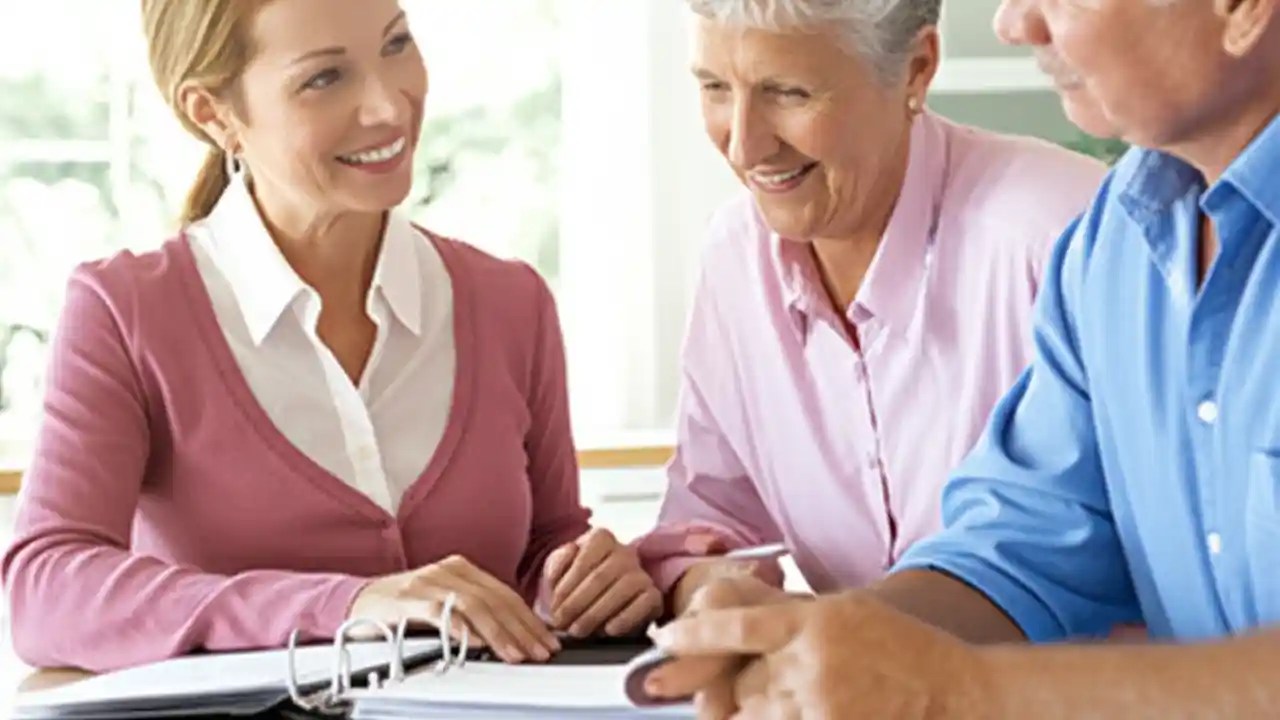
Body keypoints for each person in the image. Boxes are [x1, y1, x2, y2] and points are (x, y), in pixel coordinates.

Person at [645, 0, 1280, 716]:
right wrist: (812, 643)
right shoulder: (1118, 239)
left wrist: (961, 688)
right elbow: (1021, 549)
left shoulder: (1053, 223)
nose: (1013, 23)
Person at [0, 0, 660, 674]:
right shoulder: (126, 312)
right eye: (324, 78)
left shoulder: (510, 302)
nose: (388, 106)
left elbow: (545, 554)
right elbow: (46, 590)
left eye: (396, 44)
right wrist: (347, 605)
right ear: (213, 114)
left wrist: (589, 585)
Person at [633, 0, 1105, 614]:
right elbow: (711, 522)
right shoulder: (736, 254)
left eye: (789, 93)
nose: (745, 146)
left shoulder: (1063, 237)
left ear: (916, 68)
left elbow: (1106, 559)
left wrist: (831, 631)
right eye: (715, 88)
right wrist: (713, 591)